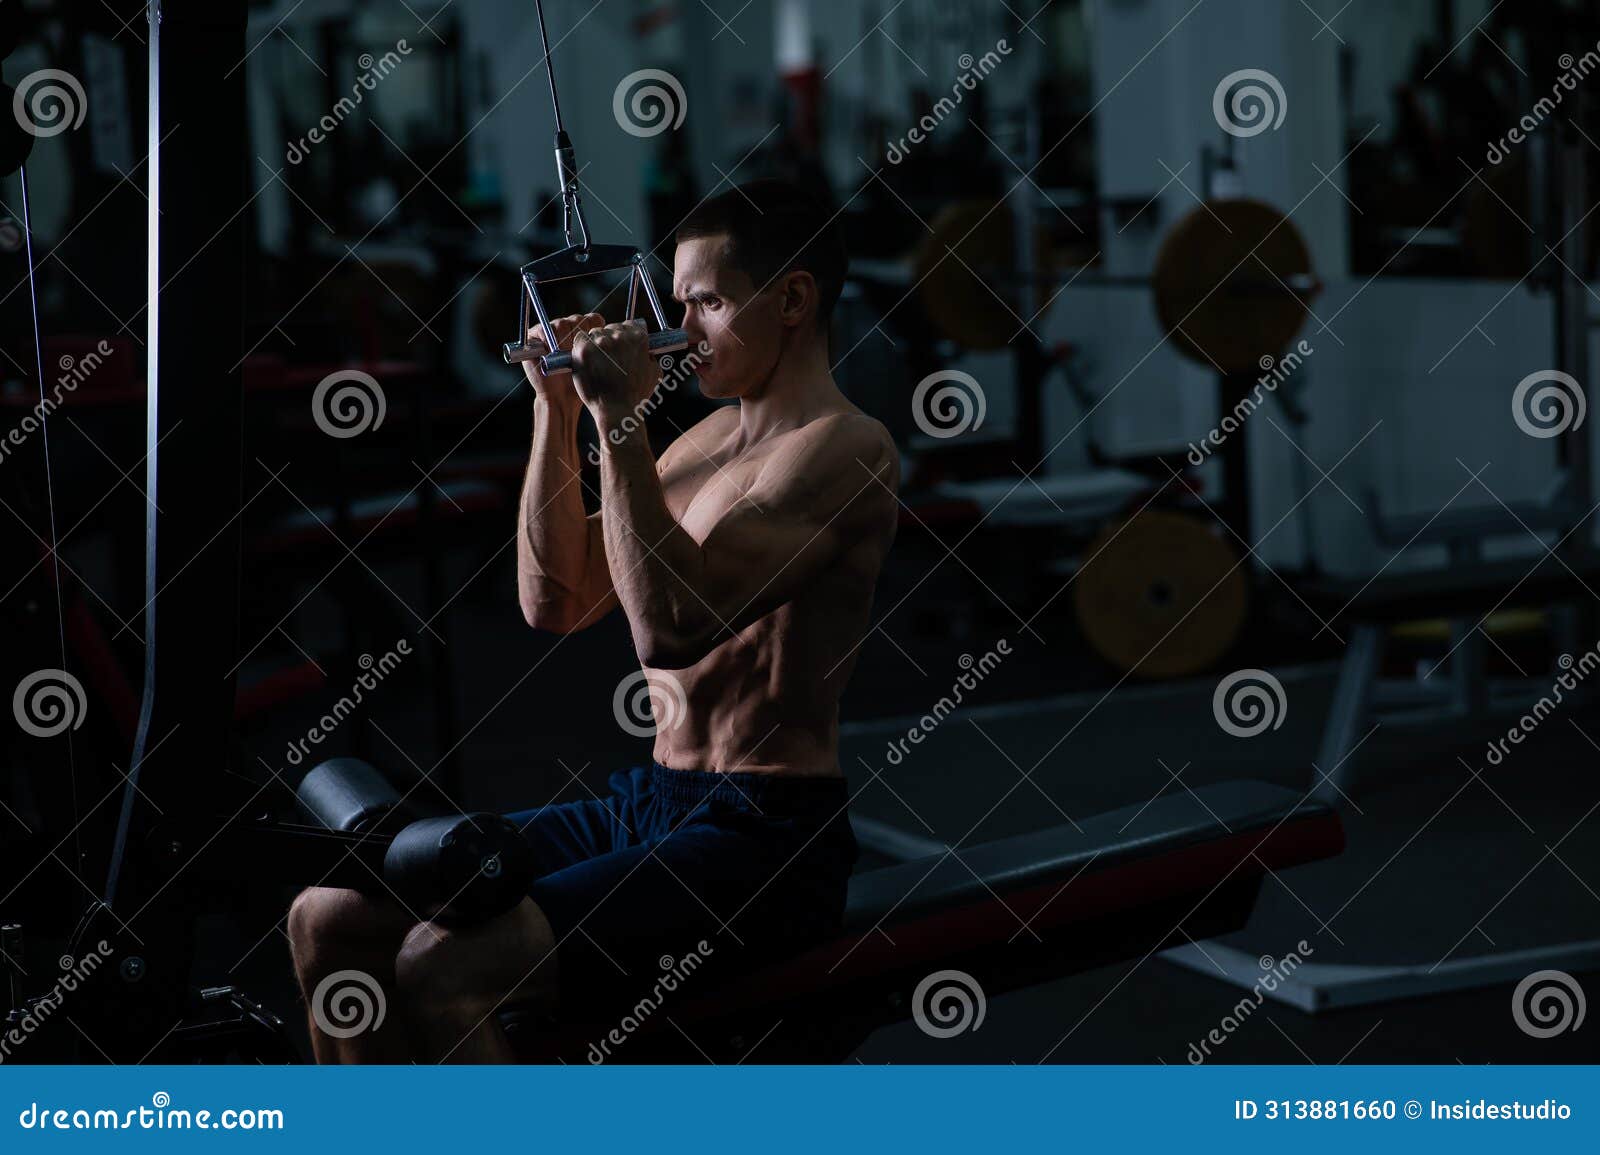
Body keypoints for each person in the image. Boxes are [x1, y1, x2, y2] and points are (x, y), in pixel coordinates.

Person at [287, 179, 900, 1063]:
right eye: (680, 301)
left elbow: (670, 629)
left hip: (766, 832)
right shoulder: (697, 446)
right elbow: (554, 602)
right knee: (327, 917)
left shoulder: (850, 448)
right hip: (655, 800)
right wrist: (558, 407)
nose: (682, 328)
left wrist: (619, 421)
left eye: (710, 302)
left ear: (795, 298)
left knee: (440, 966)